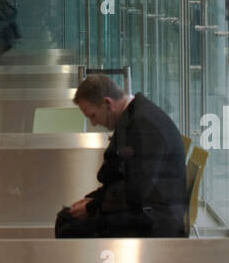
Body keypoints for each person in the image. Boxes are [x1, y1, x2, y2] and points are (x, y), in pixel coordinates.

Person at [54, 74, 187, 238]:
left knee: (69, 228)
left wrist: (94, 206)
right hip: (146, 210)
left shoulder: (143, 124)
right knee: (67, 218)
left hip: (156, 221)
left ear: (108, 104)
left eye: (93, 116)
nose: (94, 123)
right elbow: (129, 179)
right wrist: (96, 200)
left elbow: (137, 190)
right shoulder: (136, 116)